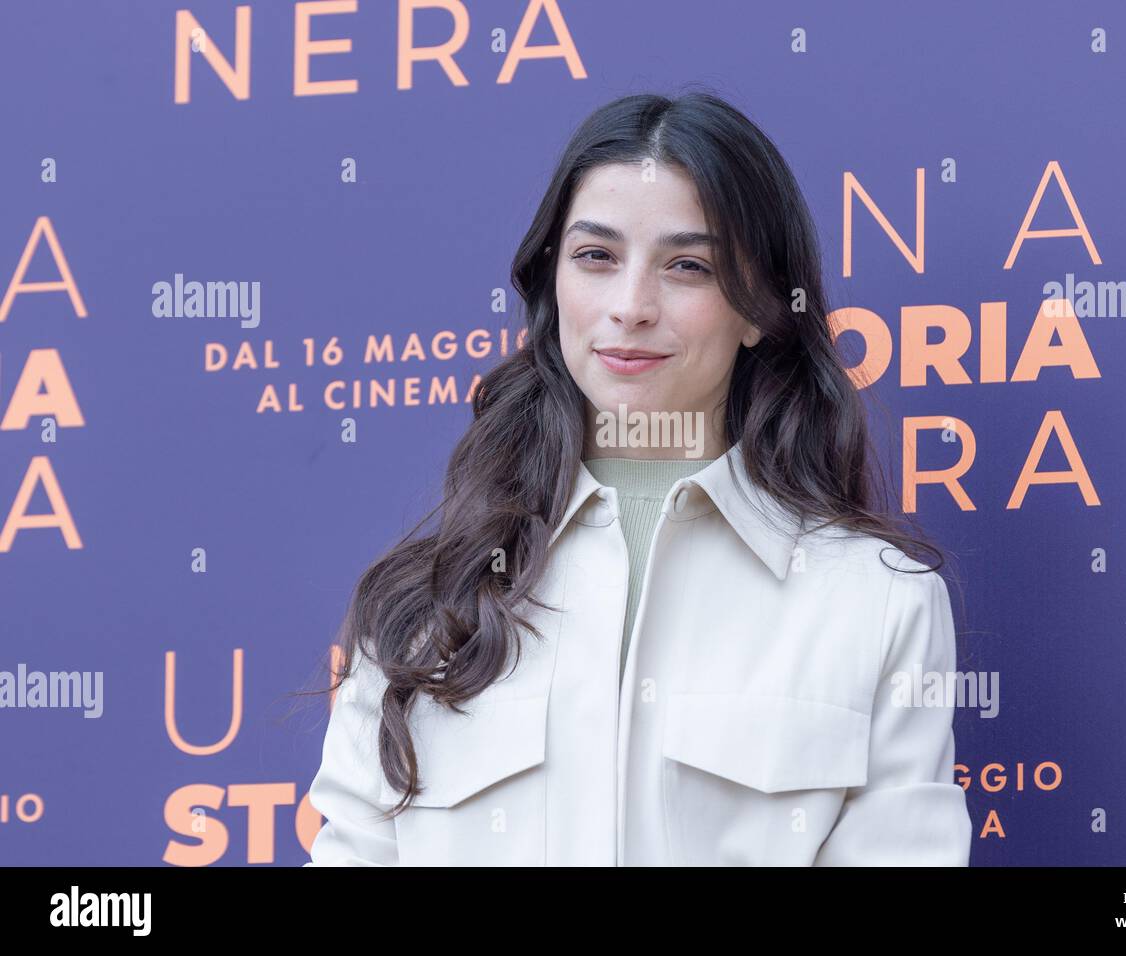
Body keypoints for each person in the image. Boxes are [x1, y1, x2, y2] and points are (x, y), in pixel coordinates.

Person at [304, 90, 972, 866]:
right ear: (553, 286)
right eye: (596, 257)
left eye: (687, 266)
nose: (630, 306)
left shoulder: (875, 599)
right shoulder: (421, 603)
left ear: (760, 308)